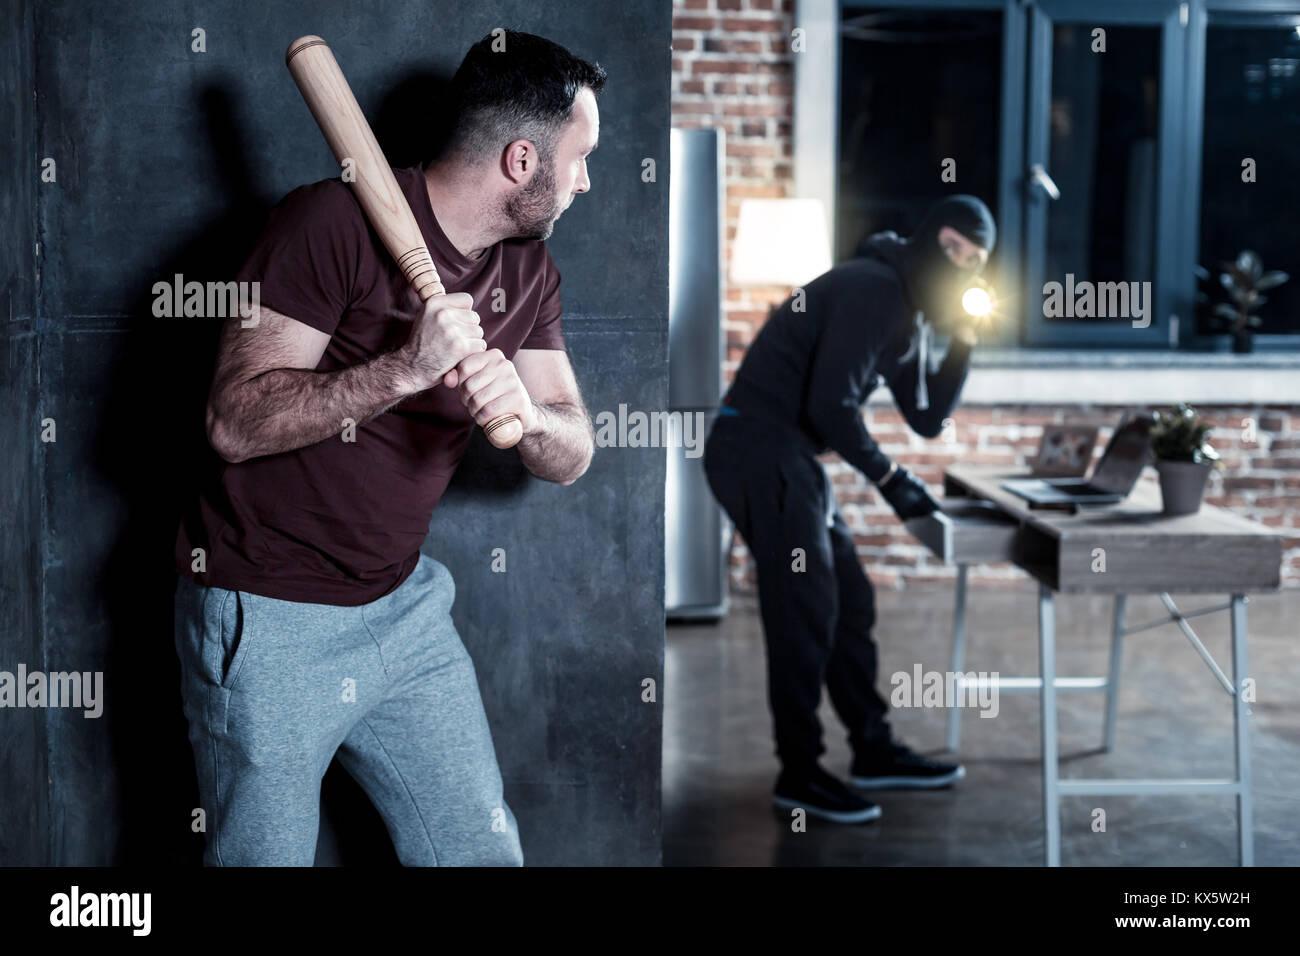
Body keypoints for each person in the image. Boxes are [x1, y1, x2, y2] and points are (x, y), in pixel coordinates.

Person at [171, 31, 602, 865]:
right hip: (269, 613)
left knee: (480, 855)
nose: (587, 178)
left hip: (404, 611)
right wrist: (406, 368)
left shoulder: (530, 268)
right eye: (579, 157)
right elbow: (232, 421)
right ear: (522, 160)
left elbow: (572, 450)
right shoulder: (326, 222)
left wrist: (530, 416)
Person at [703, 195, 996, 824]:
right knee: (803, 609)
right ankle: (800, 773)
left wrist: (965, 341)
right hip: (756, 447)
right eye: (953, 251)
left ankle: (873, 749)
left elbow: (927, 417)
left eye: (974, 262)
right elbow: (830, 409)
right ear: (928, 238)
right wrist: (892, 481)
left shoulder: (909, 312)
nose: (961, 267)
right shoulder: (874, 289)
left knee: (851, 601)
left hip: (789, 457)